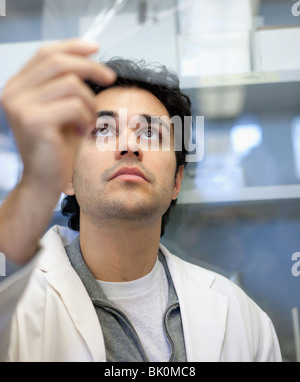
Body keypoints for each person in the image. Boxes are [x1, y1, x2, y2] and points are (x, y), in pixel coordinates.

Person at [0, 39, 281, 362]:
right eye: (103, 130)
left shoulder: (240, 319)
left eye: (150, 133)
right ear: (66, 176)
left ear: (177, 181)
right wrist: (34, 183)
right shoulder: (19, 305)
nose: (129, 146)